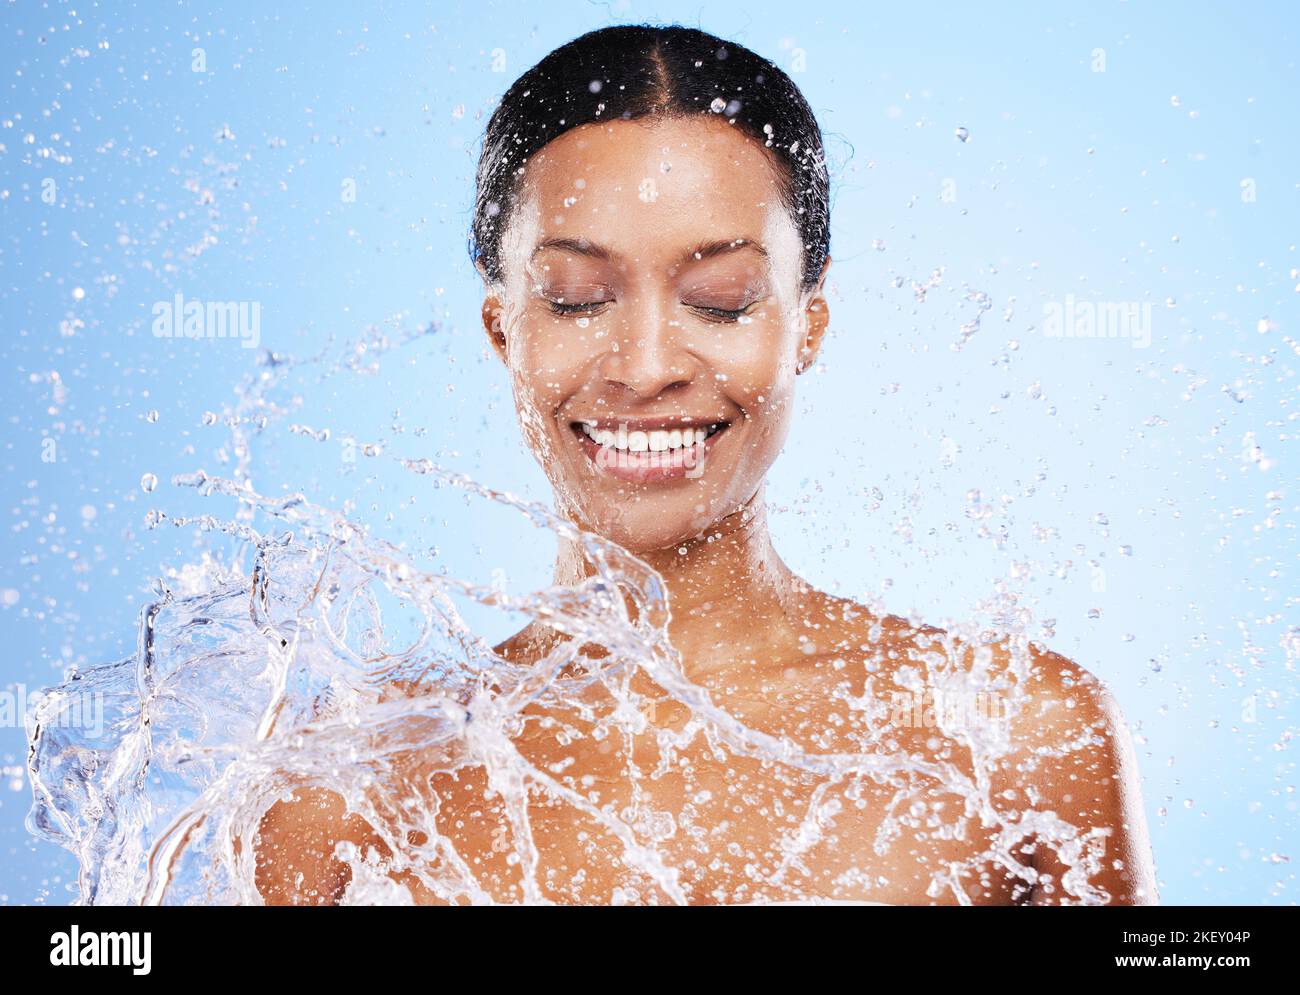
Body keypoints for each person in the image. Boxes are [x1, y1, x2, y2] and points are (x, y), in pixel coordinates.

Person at [253, 23, 1158, 906]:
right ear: (504, 331)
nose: (647, 367)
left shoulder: (1019, 731)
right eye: (576, 299)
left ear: (807, 324)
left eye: (721, 302)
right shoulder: (354, 777)